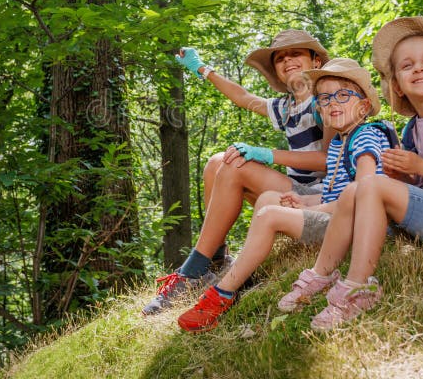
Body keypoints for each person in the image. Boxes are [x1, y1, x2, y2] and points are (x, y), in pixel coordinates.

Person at [278, 16, 423, 331]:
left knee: (370, 186)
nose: (418, 68)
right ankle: (321, 273)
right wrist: (403, 176)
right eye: (407, 66)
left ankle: (358, 287)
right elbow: (418, 184)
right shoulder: (412, 128)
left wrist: (417, 167)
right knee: (355, 190)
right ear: (397, 85)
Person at [176, 58, 391, 332]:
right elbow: (335, 192)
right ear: (320, 111)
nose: (333, 103)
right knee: (268, 200)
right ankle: (244, 270)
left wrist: (312, 209)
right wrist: (305, 203)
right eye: (325, 99)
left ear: (363, 106)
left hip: (352, 228)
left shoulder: (365, 137)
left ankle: (222, 294)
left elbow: (363, 197)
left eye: (343, 95)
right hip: (335, 215)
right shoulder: (340, 141)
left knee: (269, 214)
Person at [143, 30, 335, 316]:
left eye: (295, 54)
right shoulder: (287, 107)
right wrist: (202, 69)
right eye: (280, 58)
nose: (287, 61)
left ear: (316, 61)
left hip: (321, 199)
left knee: (235, 163)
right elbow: (243, 97)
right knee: (216, 163)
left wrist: (268, 154)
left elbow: (329, 160)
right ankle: (215, 261)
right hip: (294, 189)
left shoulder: (326, 99)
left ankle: (192, 271)